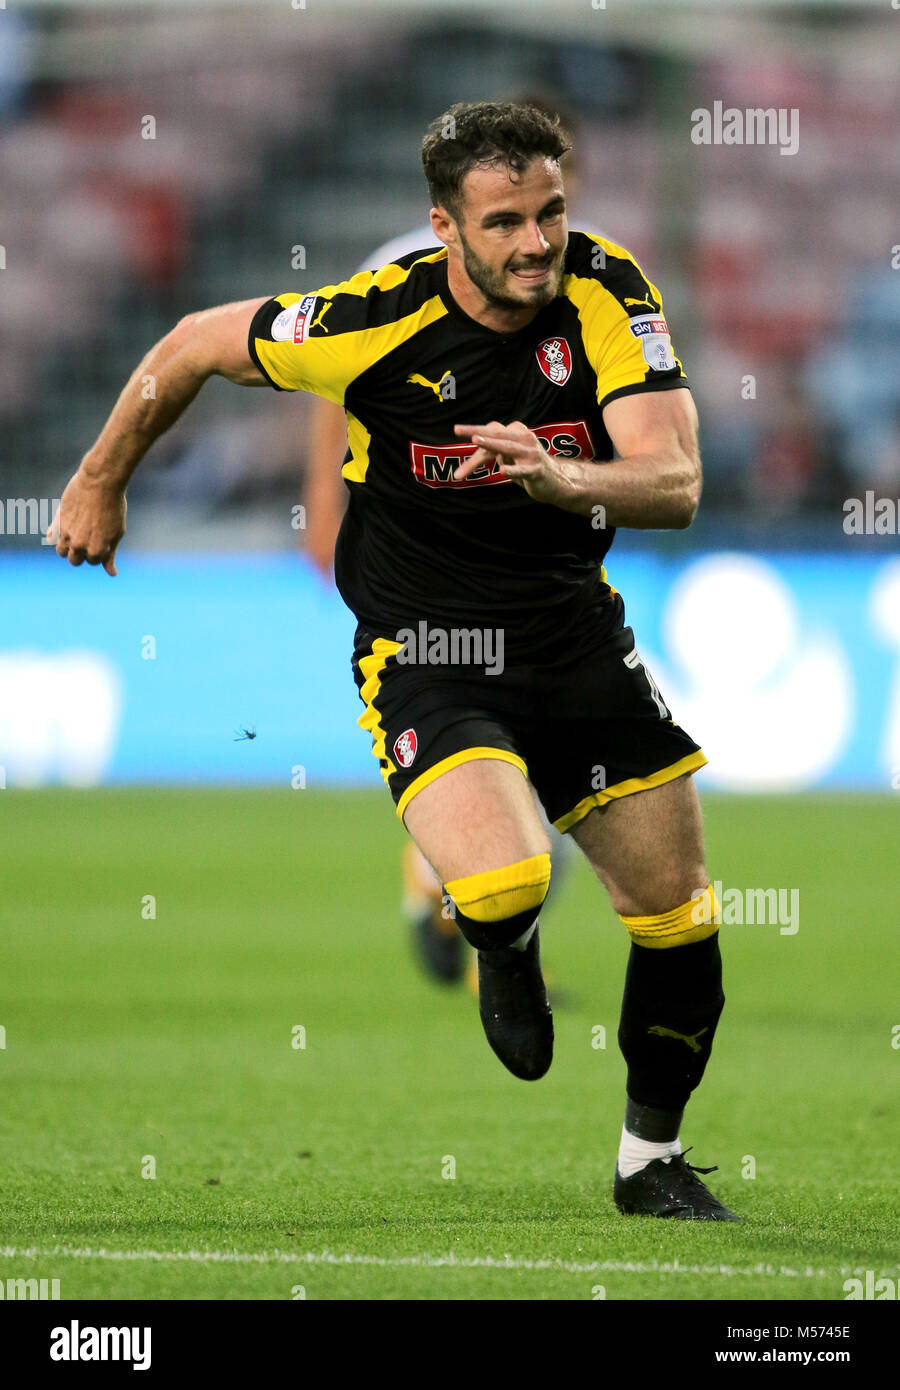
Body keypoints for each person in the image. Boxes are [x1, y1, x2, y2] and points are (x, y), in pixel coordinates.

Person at [49, 101, 738, 1220]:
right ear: (443, 228)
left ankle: (648, 1159)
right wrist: (97, 478)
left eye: (551, 212)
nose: (535, 242)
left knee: (682, 916)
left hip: (573, 638)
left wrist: (569, 481)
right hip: (430, 651)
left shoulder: (611, 294)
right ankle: (502, 943)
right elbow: (188, 347)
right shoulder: (374, 317)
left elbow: (676, 481)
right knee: (509, 876)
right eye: (505, 220)